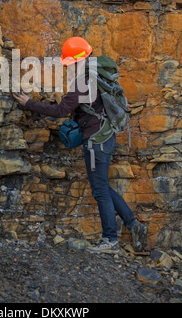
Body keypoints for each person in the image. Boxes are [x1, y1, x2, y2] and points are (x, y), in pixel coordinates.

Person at [13, 36, 148, 254]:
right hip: (106, 135)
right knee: (102, 186)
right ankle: (133, 225)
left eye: (70, 63)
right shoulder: (99, 72)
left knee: (100, 190)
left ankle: (110, 241)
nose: (70, 67)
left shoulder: (85, 81)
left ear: (77, 59)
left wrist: (29, 103)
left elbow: (60, 111)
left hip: (96, 141)